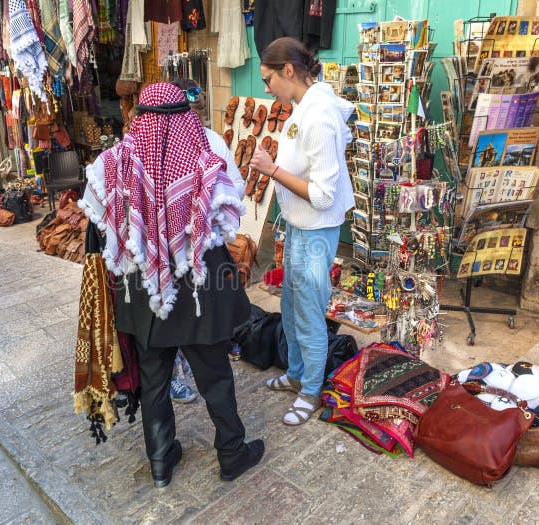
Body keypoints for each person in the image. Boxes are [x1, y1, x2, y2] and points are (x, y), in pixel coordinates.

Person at [79, 82, 263, 488]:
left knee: (154, 379)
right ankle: (231, 454)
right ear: (187, 112)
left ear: (139, 116)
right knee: (214, 373)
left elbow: (97, 218)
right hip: (200, 281)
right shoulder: (208, 147)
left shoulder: (112, 161)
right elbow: (233, 212)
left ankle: (161, 461)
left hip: (144, 286)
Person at [250, 37, 355, 426]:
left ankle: (311, 389)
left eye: (268, 79)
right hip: (298, 226)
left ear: (288, 71)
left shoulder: (318, 116)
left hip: (315, 230)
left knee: (309, 312)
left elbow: (325, 196)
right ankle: (296, 373)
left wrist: (273, 170)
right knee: (291, 307)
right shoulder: (303, 109)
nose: (265, 88)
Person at [166, 77, 247, 404]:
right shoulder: (212, 140)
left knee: (174, 309)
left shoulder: (162, 142)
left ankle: (178, 367)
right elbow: (238, 187)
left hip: (172, 249)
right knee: (197, 309)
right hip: (205, 247)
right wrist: (214, 204)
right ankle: (193, 365)